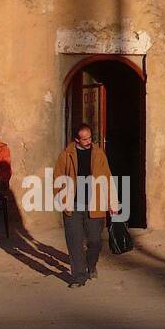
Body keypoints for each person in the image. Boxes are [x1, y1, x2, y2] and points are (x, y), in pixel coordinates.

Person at [54, 123, 118, 288]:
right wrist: (61, 198)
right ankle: (78, 277)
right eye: (85, 139)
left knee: (95, 241)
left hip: (94, 203)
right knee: (74, 241)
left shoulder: (99, 154)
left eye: (90, 137)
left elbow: (107, 178)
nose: (89, 141)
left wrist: (112, 202)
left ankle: (91, 264)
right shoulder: (66, 155)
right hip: (73, 204)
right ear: (76, 139)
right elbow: (57, 179)